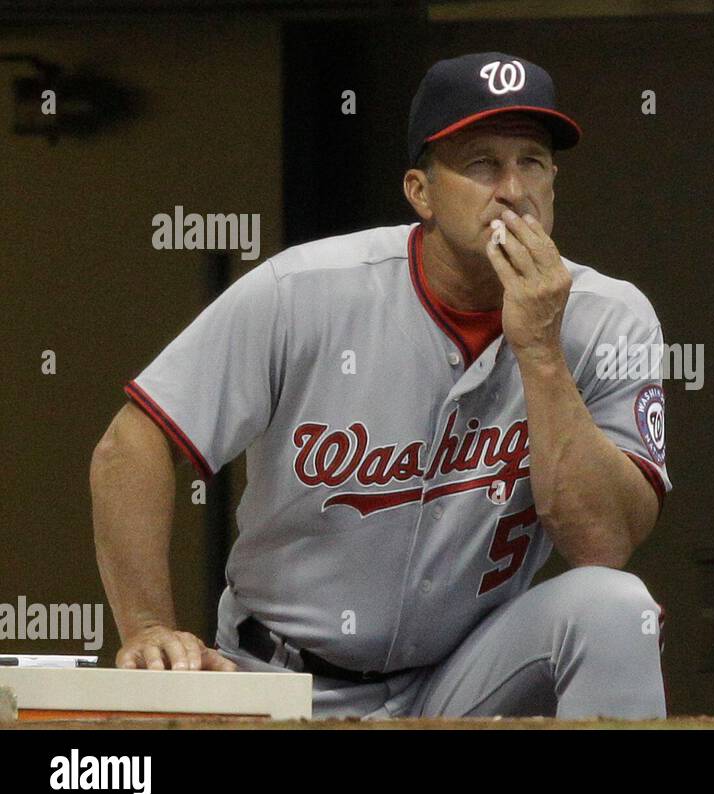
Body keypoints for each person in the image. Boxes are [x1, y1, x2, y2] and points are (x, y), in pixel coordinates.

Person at [90, 52, 671, 719]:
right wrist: (148, 627)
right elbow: (129, 443)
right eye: (482, 163)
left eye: (531, 161)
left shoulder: (608, 318)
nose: (512, 188)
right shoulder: (305, 292)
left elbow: (603, 543)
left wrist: (540, 350)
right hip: (277, 678)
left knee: (616, 607)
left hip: (463, 675)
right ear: (421, 192)